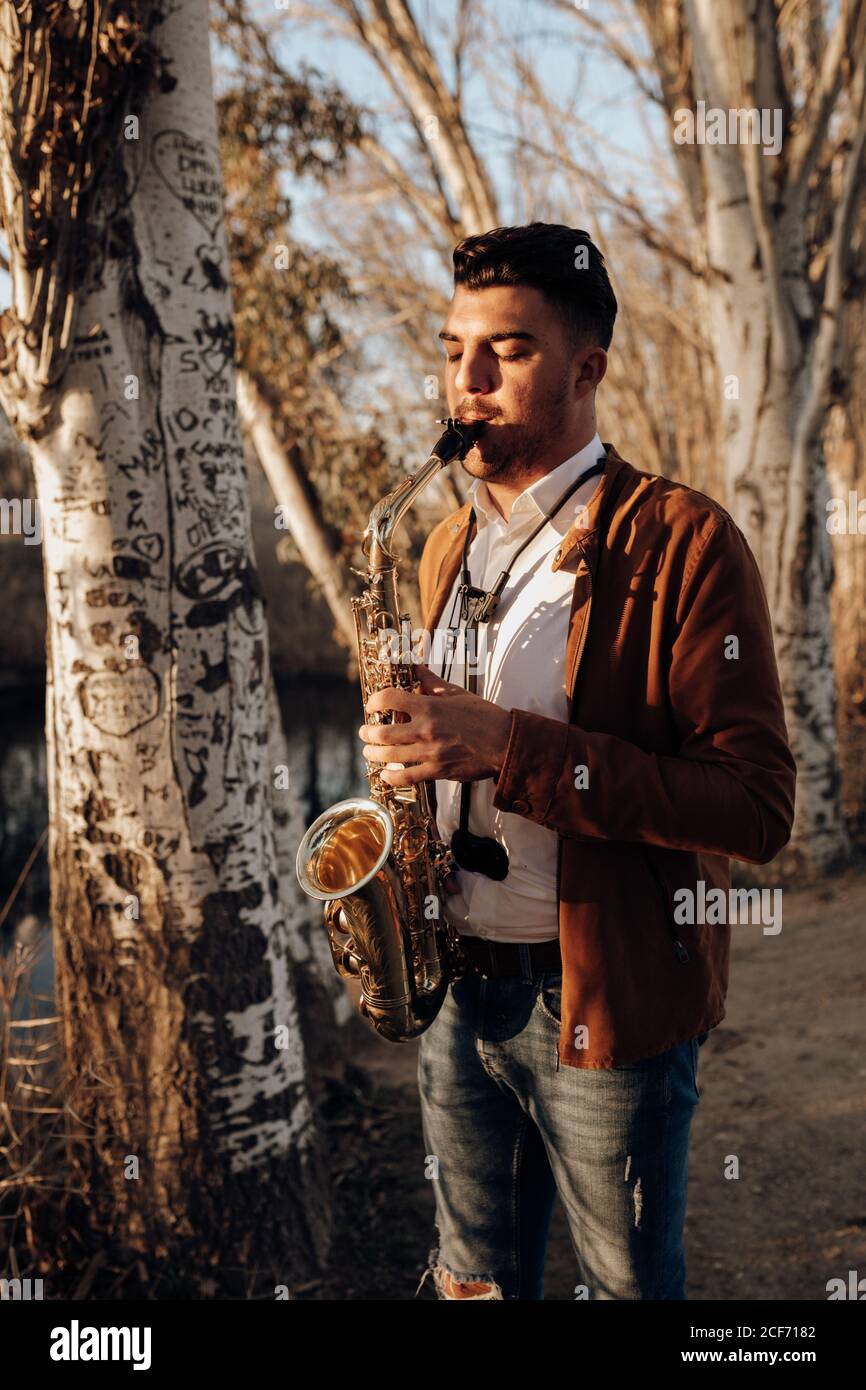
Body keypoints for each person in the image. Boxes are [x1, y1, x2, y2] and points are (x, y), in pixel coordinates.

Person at [358, 223, 797, 1300]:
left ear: (586, 368)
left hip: (602, 1005)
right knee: (471, 1284)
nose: (463, 381)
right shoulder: (442, 546)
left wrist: (510, 748)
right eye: (452, 346)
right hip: (453, 992)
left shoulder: (684, 541)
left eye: (502, 352)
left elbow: (753, 805)